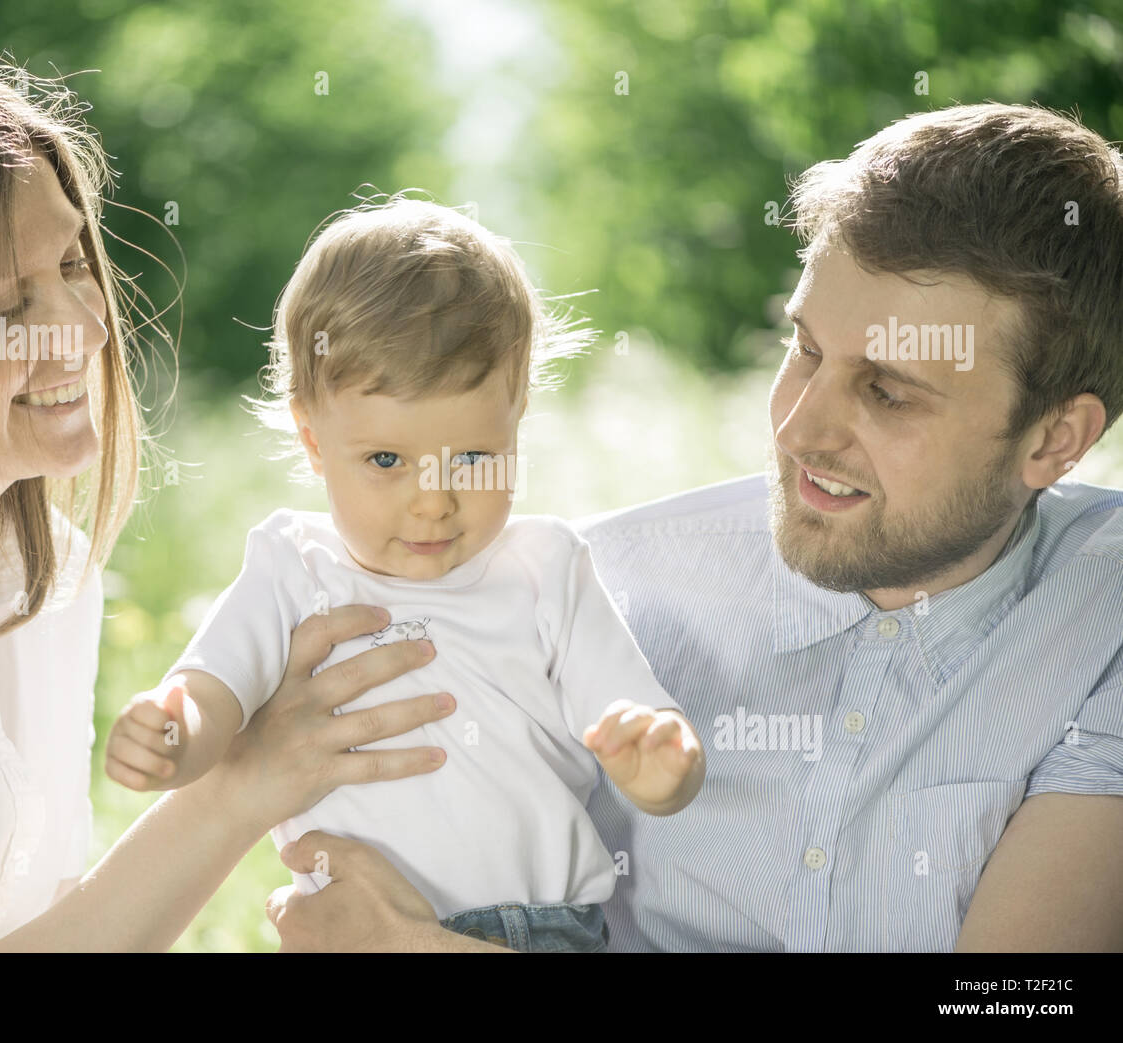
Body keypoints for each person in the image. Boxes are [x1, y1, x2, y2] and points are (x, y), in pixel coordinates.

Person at [266, 103, 1123, 952]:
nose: (798, 430)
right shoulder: (602, 590)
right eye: (808, 350)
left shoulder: (1102, 619)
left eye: (888, 391)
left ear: (1055, 439)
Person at [0, 36, 455, 953]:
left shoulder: (42, 580)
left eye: (75, 266)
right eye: (9, 307)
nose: (83, 325)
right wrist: (234, 792)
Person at [104, 197, 706, 953]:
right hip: (346, 929)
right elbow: (211, 690)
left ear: (516, 416)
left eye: (474, 458)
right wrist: (173, 734)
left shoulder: (546, 567)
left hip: (544, 932)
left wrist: (659, 766)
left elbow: (632, 709)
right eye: (386, 461)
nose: (435, 501)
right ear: (313, 438)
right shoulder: (293, 567)